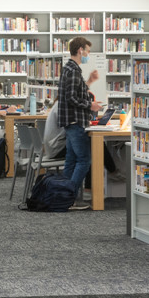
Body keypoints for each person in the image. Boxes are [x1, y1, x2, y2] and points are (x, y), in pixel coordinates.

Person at [56, 36, 102, 194]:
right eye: (88, 51)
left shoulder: (69, 69)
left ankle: (64, 196)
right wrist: (91, 105)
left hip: (70, 121)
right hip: (76, 122)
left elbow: (77, 91)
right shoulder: (73, 71)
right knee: (84, 161)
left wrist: (89, 81)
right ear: (80, 50)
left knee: (71, 161)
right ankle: (69, 194)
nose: (88, 55)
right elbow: (72, 98)